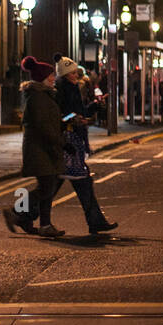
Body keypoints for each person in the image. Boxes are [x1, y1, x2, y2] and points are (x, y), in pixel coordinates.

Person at [1, 56, 69, 238]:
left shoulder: (44, 94)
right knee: (46, 188)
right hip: (40, 149)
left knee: (49, 186)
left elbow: (49, 122)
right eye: (50, 75)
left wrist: (63, 125)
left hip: (46, 148)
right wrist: (62, 143)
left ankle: (44, 224)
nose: (54, 78)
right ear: (42, 78)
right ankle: (16, 212)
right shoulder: (38, 97)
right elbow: (42, 126)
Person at [53, 58, 118, 234]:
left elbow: (80, 113)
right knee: (81, 182)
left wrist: (95, 106)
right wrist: (73, 119)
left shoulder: (72, 88)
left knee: (56, 184)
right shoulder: (60, 90)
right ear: (64, 75)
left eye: (76, 72)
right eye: (73, 73)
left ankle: (23, 214)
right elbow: (60, 117)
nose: (77, 75)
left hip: (74, 140)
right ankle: (96, 221)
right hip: (67, 142)